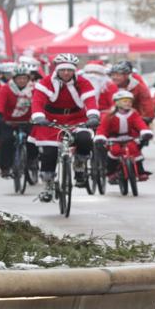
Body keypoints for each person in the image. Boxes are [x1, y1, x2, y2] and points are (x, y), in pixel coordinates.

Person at [28, 53, 102, 202]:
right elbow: (37, 101)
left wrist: (93, 116)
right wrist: (38, 117)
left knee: (85, 139)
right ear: (57, 69)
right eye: (63, 69)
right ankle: (48, 184)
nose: (67, 73)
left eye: (70, 69)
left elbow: (90, 100)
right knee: (49, 152)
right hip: (50, 120)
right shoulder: (45, 82)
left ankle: (80, 165)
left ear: (74, 70)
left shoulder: (83, 82)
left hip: (77, 118)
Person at [0, 61, 39, 177]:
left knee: (32, 141)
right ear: (14, 79)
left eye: (24, 78)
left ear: (28, 78)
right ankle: (5, 167)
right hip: (9, 121)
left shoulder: (34, 89)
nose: (22, 80)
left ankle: (32, 160)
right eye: (19, 78)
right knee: (6, 141)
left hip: (29, 120)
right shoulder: (6, 89)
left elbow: (40, 103)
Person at [94, 88, 154, 182]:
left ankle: (140, 171)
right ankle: (111, 172)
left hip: (129, 137)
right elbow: (103, 128)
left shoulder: (133, 114)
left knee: (134, 150)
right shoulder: (109, 115)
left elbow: (140, 123)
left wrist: (145, 131)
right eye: (125, 101)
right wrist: (101, 136)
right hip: (114, 138)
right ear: (117, 103)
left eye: (130, 101)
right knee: (115, 151)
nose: (128, 103)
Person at [97, 60, 155, 125]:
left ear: (126, 76)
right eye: (113, 75)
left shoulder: (138, 87)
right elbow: (102, 106)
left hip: (134, 119)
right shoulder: (106, 87)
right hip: (111, 120)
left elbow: (147, 103)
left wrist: (147, 117)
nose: (115, 78)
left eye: (118, 75)